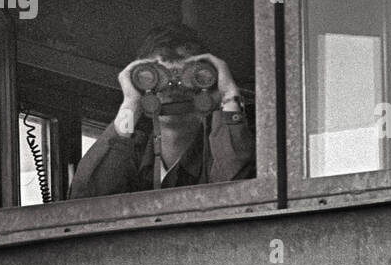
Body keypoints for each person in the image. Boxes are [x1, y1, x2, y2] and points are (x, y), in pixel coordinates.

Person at [69, 23, 254, 197]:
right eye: (156, 76)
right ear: (139, 82)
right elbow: (83, 198)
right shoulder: (131, 156)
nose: (173, 88)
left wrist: (228, 96)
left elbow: (237, 193)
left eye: (191, 74)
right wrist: (130, 105)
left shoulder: (219, 151)